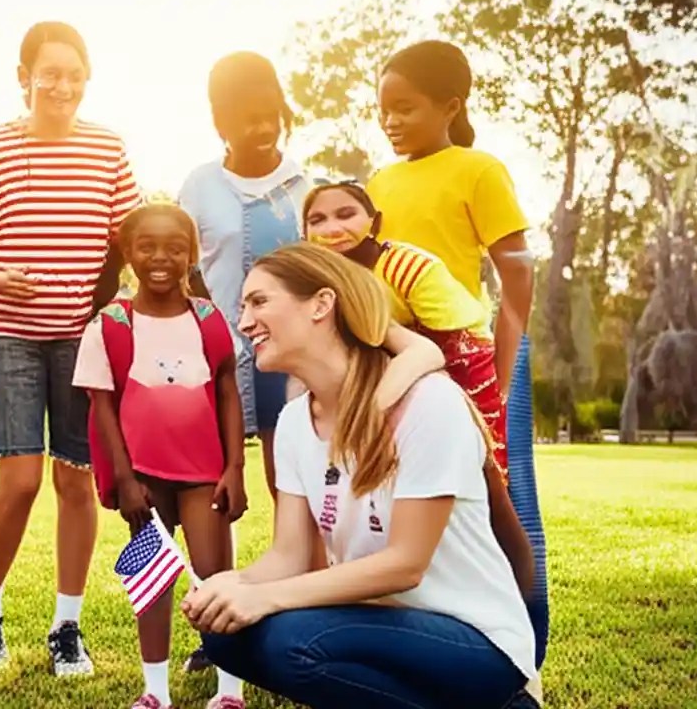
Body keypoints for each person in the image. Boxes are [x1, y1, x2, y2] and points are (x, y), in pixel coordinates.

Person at [182, 243, 538, 709]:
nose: (244, 322)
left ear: (322, 304)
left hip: (475, 640)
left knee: (293, 642)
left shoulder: (427, 402)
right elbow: (288, 557)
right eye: (243, 307)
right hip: (379, 625)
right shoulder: (293, 423)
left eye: (259, 301)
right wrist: (235, 585)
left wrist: (267, 599)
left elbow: (406, 564)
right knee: (226, 637)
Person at [0, 20, 142, 677]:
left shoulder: (108, 150)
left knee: (75, 481)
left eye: (75, 75)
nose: (62, 86)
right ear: (24, 77)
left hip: (81, 336)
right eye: (50, 73)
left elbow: (131, 235)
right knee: (19, 480)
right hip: (5, 329)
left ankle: (67, 626)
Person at [368, 39, 549, 682]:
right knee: (422, 504)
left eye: (405, 109)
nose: (390, 121)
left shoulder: (478, 168)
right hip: (398, 356)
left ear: (451, 106)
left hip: (468, 357)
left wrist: (501, 368)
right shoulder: (381, 182)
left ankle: (528, 652)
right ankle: (442, 642)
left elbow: (516, 274)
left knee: (506, 503)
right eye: (383, 109)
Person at [73, 204, 247, 709]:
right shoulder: (109, 324)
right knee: (152, 580)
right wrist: (124, 480)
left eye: (175, 247)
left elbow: (228, 390)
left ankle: (230, 687)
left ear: (191, 254)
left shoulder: (210, 320)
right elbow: (103, 408)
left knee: (215, 574)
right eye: (146, 246)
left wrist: (234, 467)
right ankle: (155, 691)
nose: (160, 257)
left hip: (204, 474)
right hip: (144, 478)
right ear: (128, 253)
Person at [302, 181, 508, 476]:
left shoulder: (408, 267)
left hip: (460, 363)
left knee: (476, 463)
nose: (332, 229)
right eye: (317, 220)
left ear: (376, 223)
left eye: (346, 215)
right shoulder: (321, 283)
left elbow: (454, 346)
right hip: (388, 367)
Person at [178, 51, 308, 501]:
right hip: (218, 354)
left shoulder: (303, 188)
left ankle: (300, 570)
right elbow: (184, 269)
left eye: (271, 116)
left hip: (287, 356)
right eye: (249, 119)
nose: (264, 130)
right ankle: (214, 574)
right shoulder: (199, 187)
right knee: (213, 488)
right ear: (220, 124)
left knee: (288, 481)